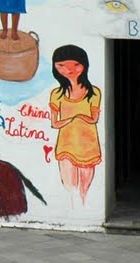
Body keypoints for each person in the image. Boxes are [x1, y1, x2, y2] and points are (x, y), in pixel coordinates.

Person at [49, 44, 103, 204]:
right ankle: (72, 212)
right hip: (66, 145)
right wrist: (72, 119)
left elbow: (94, 119)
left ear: (84, 65)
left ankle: (83, 209)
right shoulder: (57, 94)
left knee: (84, 191)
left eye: (75, 65)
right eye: (61, 66)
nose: (69, 70)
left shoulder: (94, 92)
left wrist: (78, 116)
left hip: (88, 146)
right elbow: (54, 123)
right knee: (69, 189)